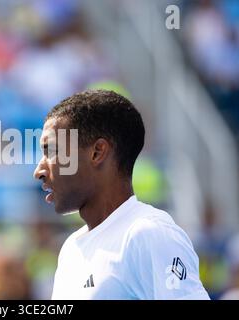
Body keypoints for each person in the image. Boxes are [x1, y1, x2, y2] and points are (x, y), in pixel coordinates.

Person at [33, 89, 210, 299]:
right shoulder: (70, 248)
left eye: (52, 151)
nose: (38, 171)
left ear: (97, 152)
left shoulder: (148, 233)